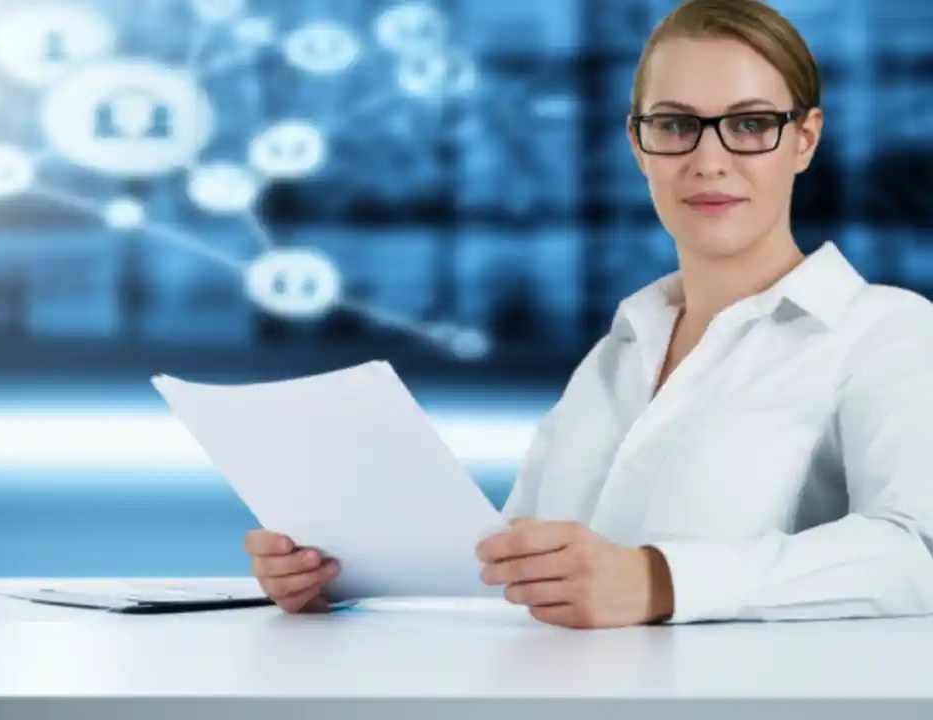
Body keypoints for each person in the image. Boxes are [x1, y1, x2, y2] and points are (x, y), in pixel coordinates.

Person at [243, 0, 933, 628]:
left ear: (804, 139)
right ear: (639, 145)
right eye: (676, 125)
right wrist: (339, 573)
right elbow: (509, 566)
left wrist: (660, 581)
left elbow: (916, 553)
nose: (710, 159)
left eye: (751, 124)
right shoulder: (618, 353)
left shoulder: (883, 333)